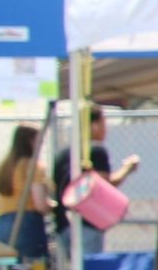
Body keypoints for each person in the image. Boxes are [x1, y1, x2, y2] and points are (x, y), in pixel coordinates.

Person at [50, 106, 141, 254]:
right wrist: (128, 168)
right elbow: (105, 185)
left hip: (63, 225)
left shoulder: (62, 154)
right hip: (87, 224)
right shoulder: (97, 151)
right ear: (94, 125)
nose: (106, 129)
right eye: (104, 123)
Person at [0, 125, 52, 266]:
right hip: (27, 225)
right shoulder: (33, 167)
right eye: (39, 141)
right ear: (30, 142)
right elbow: (40, 204)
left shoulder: (3, 168)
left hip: (3, 225)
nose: (41, 145)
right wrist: (53, 206)